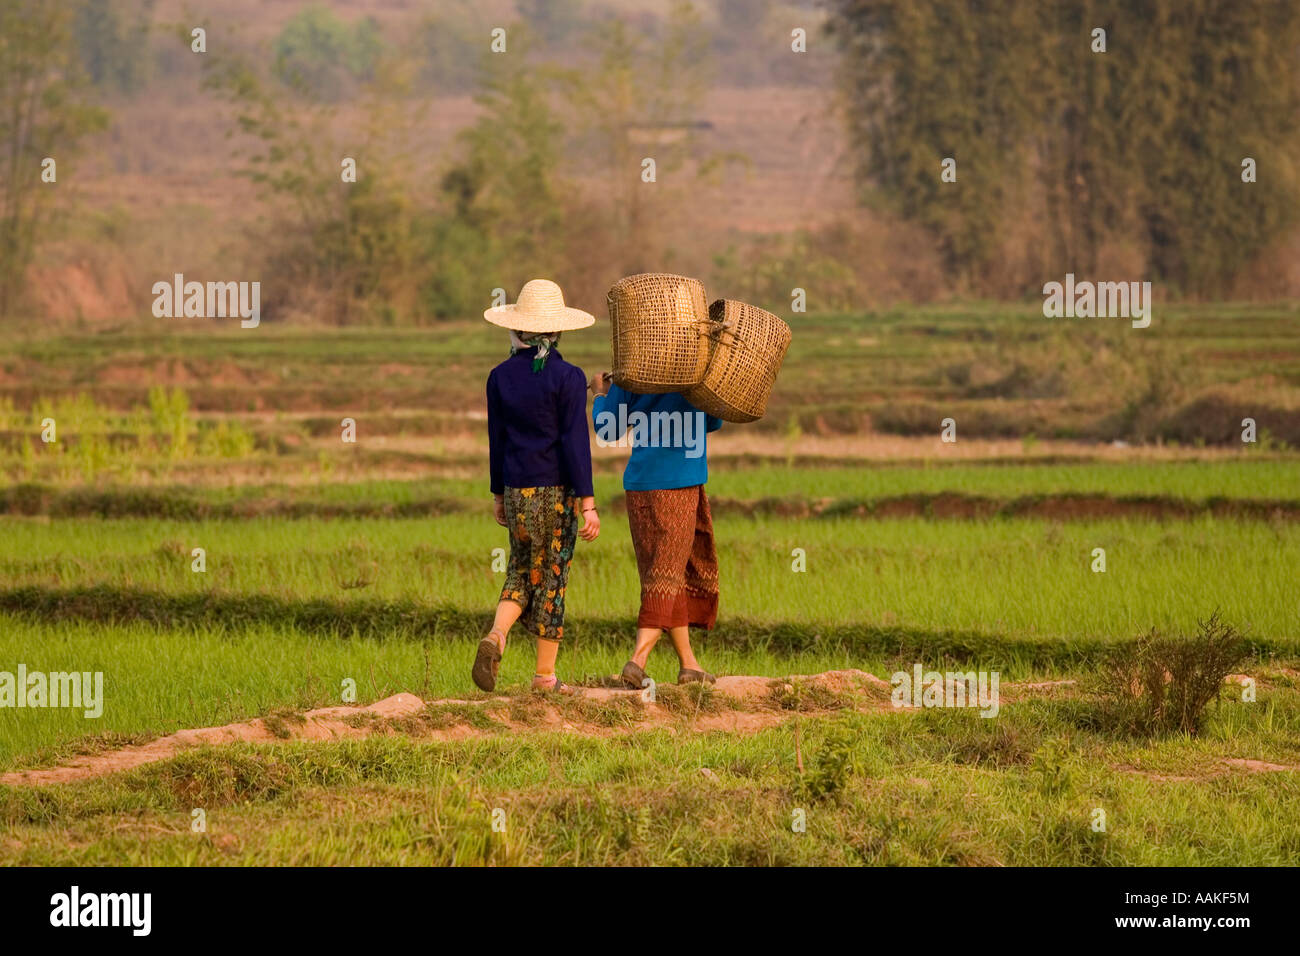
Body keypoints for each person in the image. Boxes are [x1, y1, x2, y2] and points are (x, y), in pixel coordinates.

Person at [474, 279, 600, 695]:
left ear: (519, 331)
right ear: (558, 331)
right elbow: (574, 443)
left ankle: (496, 635)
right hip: (554, 494)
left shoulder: (500, 377)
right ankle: (545, 678)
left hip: (516, 489)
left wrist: (498, 494)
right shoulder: (567, 377)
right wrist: (588, 503)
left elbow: (498, 439)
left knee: (519, 570)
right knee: (552, 577)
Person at [589, 371, 722, 689]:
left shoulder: (633, 370)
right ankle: (638, 661)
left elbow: (607, 429)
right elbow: (713, 422)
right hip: (679, 482)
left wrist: (599, 395)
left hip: (641, 484)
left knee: (664, 572)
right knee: (665, 575)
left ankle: (689, 664)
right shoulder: (697, 371)